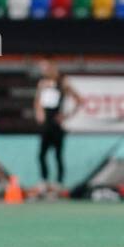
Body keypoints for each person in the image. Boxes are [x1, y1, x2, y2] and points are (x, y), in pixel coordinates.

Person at [34, 60, 79, 193]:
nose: (45, 71)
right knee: (41, 154)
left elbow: (79, 100)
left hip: (56, 124)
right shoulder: (42, 84)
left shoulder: (63, 83)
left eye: (47, 68)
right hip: (46, 124)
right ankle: (44, 181)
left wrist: (66, 116)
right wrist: (39, 113)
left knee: (58, 155)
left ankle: (58, 183)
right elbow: (37, 101)